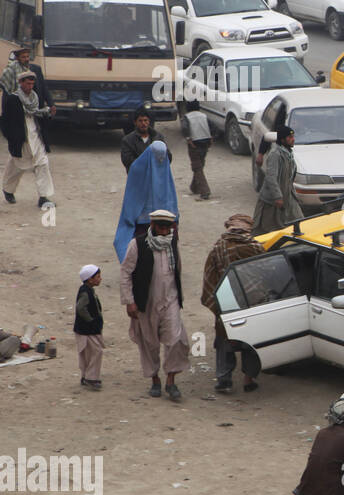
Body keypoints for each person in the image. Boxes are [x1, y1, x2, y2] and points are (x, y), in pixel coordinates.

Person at [120, 208, 189, 401]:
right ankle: (155, 380)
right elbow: (125, 272)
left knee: (175, 339)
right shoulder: (138, 244)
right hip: (147, 301)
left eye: (169, 227)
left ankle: (171, 380)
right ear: (153, 226)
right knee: (149, 342)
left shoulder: (173, 242)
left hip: (171, 299)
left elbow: (178, 269)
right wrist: (129, 301)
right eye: (162, 227)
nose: (166, 231)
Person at [201, 213, 265, 394]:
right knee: (251, 341)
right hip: (251, 301)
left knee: (224, 340)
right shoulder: (255, 247)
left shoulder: (218, 248)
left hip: (226, 301)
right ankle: (248, 379)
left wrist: (216, 301)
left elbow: (210, 277)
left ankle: (224, 380)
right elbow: (265, 273)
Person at [114, 140, 178, 259]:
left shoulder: (164, 165)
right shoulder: (137, 168)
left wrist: (174, 215)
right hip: (142, 218)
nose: (160, 158)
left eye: (163, 155)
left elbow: (170, 193)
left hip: (164, 218)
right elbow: (132, 194)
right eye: (157, 154)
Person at [1, 69, 55, 208]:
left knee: (42, 164)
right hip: (21, 139)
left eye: (32, 84)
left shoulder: (34, 98)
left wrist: (47, 113)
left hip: (35, 136)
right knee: (17, 165)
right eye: (27, 84)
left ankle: (43, 197)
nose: (30, 86)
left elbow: (38, 113)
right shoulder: (13, 99)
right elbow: (5, 121)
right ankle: (8, 189)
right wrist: (12, 138)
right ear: (20, 83)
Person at [253, 127, 303, 235]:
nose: (293, 139)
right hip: (272, 200)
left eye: (293, 137)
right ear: (282, 140)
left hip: (288, 197)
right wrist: (278, 197)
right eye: (290, 137)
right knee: (265, 230)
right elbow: (271, 177)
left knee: (300, 224)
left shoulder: (288, 153)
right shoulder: (275, 154)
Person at [74, 264, 104, 391]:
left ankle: (86, 376)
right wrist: (91, 321)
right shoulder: (86, 293)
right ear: (90, 279)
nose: (100, 279)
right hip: (87, 330)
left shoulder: (87, 290)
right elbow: (80, 308)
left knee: (88, 353)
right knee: (96, 351)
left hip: (87, 329)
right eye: (98, 277)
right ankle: (91, 378)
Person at [179, 99, 211, 200]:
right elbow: (212, 127)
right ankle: (194, 187)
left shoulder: (187, 117)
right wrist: (212, 138)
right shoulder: (204, 116)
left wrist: (188, 139)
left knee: (197, 167)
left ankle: (205, 191)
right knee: (199, 165)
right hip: (205, 141)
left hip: (194, 142)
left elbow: (184, 128)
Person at [120, 109, 169, 173]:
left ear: (149, 121)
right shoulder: (127, 140)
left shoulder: (158, 137)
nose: (143, 123)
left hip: (155, 176)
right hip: (137, 176)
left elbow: (168, 157)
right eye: (140, 121)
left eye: (145, 120)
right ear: (135, 122)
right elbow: (127, 161)